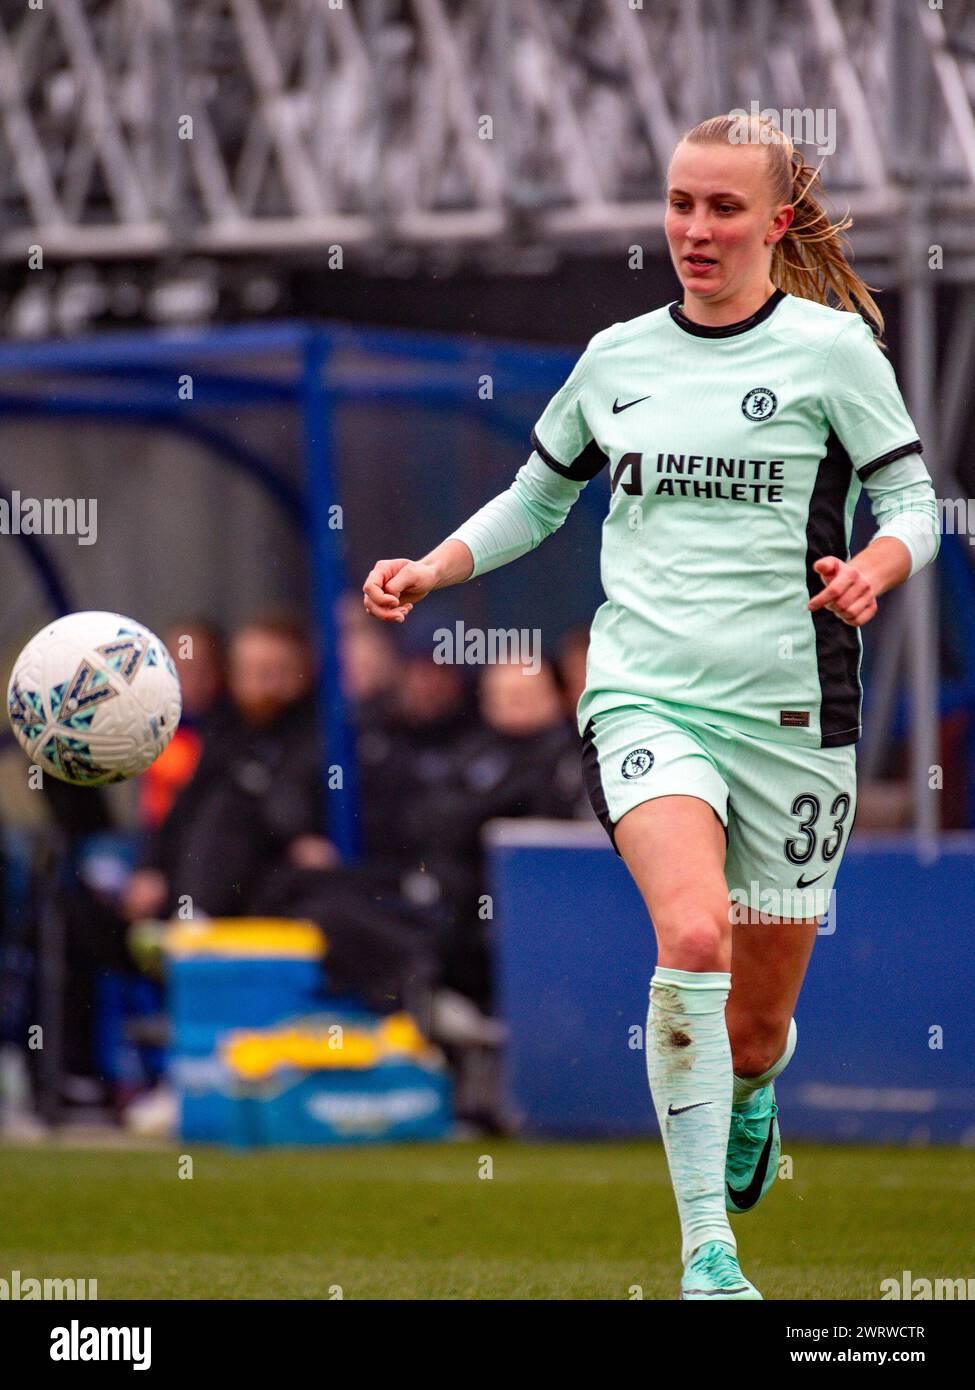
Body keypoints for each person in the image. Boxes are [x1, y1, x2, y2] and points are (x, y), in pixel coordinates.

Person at [362, 113, 941, 1299]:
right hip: (644, 697)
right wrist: (433, 567)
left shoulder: (835, 355)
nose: (694, 229)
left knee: (756, 1028)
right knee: (691, 938)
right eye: (680, 204)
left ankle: (755, 1090)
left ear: (775, 223)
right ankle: (708, 1257)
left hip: (793, 713)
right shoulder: (619, 356)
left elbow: (916, 503)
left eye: (723, 208)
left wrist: (870, 570)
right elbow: (536, 498)